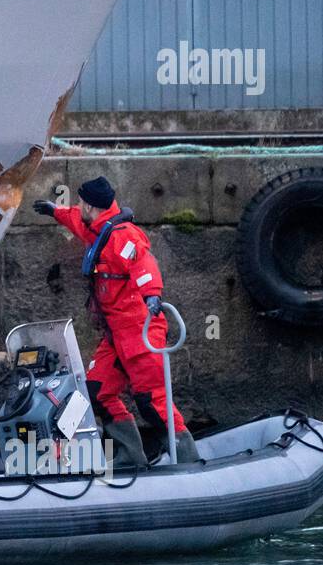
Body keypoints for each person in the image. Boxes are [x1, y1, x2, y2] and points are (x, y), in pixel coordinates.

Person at [32, 177, 199, 467]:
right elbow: (75, 219)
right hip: (116, 335)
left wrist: (151, 296)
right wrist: (53, 211)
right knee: (96, 391)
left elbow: (143, 264)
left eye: (81, 202)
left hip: (140, 331)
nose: (78, 207)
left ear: (90, 205)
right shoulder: (97, 229)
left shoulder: (123, 236)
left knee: (152, 399)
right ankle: (131, 454)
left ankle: (187, 459)